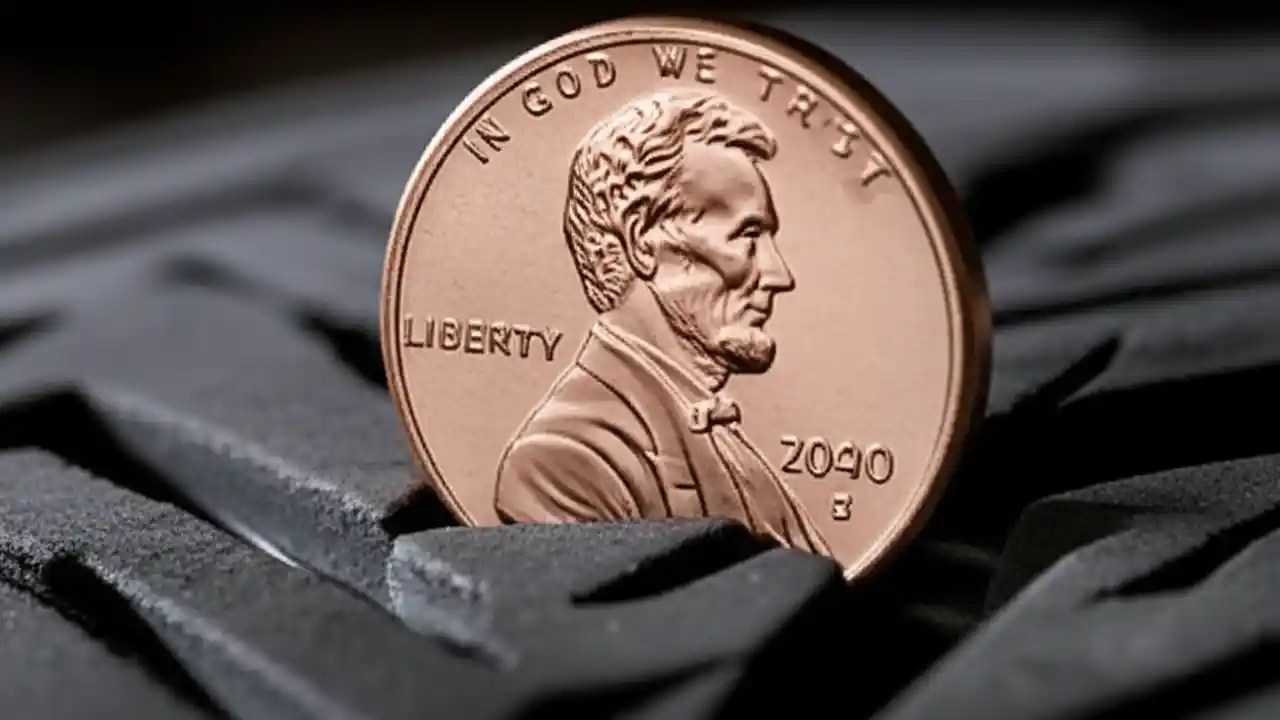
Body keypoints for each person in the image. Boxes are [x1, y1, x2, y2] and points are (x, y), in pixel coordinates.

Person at [493, 89, 830, 555]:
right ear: (642, 242)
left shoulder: (722, 436)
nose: (779, 276)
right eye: (748, 236)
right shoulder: (563, 459)